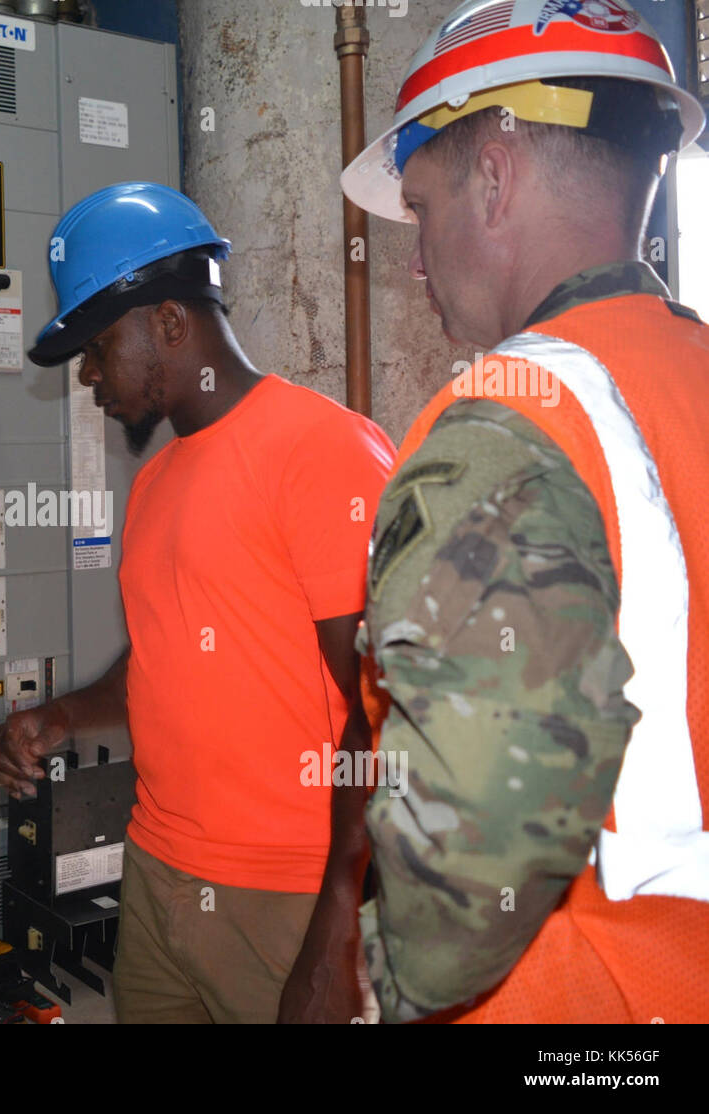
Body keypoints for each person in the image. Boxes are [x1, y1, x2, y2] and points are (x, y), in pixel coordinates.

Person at [299, 0, 709, 1023]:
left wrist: (378, 986)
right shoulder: (686, 370)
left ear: (493, 176)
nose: (417, 260)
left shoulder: (512, 420)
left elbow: (459, 902)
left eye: (423, 208)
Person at [0, 182, 396, 1022]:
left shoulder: (321, 453)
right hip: (156, 878)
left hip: (284, 899)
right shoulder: (157, 483)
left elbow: (384, 708)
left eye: (99, 348)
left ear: (171, 324)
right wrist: (66, 715)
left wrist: (336, 927)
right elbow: (166, 659)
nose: (92, 378)